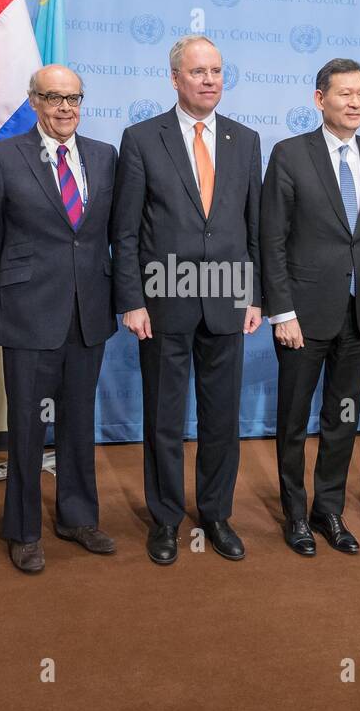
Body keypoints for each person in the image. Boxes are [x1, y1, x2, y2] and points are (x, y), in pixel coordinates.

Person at [111, 35, 262, 565]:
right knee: (164, 418)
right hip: (163, 300)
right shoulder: (141, 138)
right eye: (198, 72)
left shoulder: (246, 140)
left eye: (216, 71)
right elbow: (124, 231)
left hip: (226, 299)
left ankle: (217, 514)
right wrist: (131, 299)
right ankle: (166, 518)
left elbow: (255, 227)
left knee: (222, 418)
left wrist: (254, 296)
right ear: (174, 78)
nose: (209, 80)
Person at [0, 65, 118, 573]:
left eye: (73, 98)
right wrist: (22, 280)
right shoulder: (4, 156)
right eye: (54, 98)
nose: (65, 108)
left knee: (79, 421)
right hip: (30, 312)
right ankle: (23, 529)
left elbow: (107, 233)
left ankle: (78, 517)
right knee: (30, 427)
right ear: (33, 101)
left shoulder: (104, 156)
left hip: (89, 313)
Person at [261, 58, 360, 556]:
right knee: (295, 420)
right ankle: (295, 514)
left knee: (342, 416)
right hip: (302, 315)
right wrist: (282, 312)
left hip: (359, 316)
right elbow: (271, 239)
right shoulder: (290, 154)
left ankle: (329, 510)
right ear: (320, 100)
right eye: (345, 94)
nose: (356, 103)